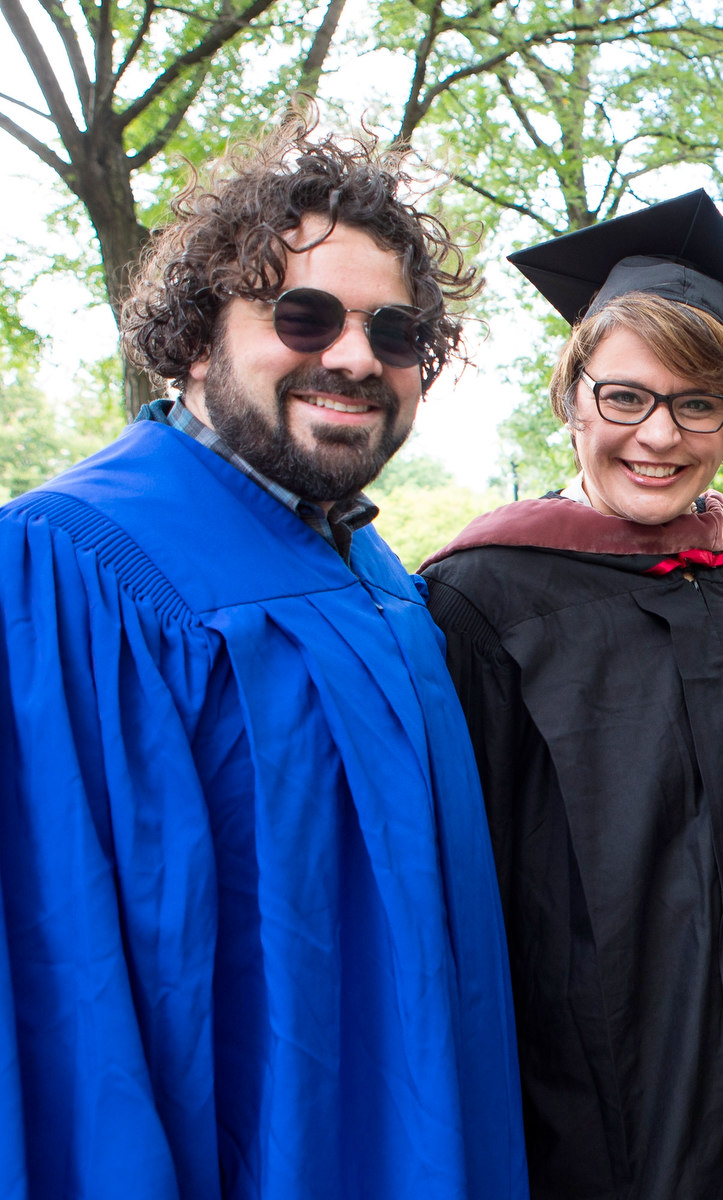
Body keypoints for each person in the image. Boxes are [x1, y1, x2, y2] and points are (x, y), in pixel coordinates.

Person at [0, 120, 525, 1196]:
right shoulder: (67, 567)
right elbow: (67, 983)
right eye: (303, 315)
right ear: (196, 336)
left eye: (396, 333)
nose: (351, 355)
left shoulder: (374, 571)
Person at [419, 190, 723, 1200]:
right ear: (573, 395)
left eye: (697, 404)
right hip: (610, 1116)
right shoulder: (481, 603)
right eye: (625, 397)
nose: (659, 436)